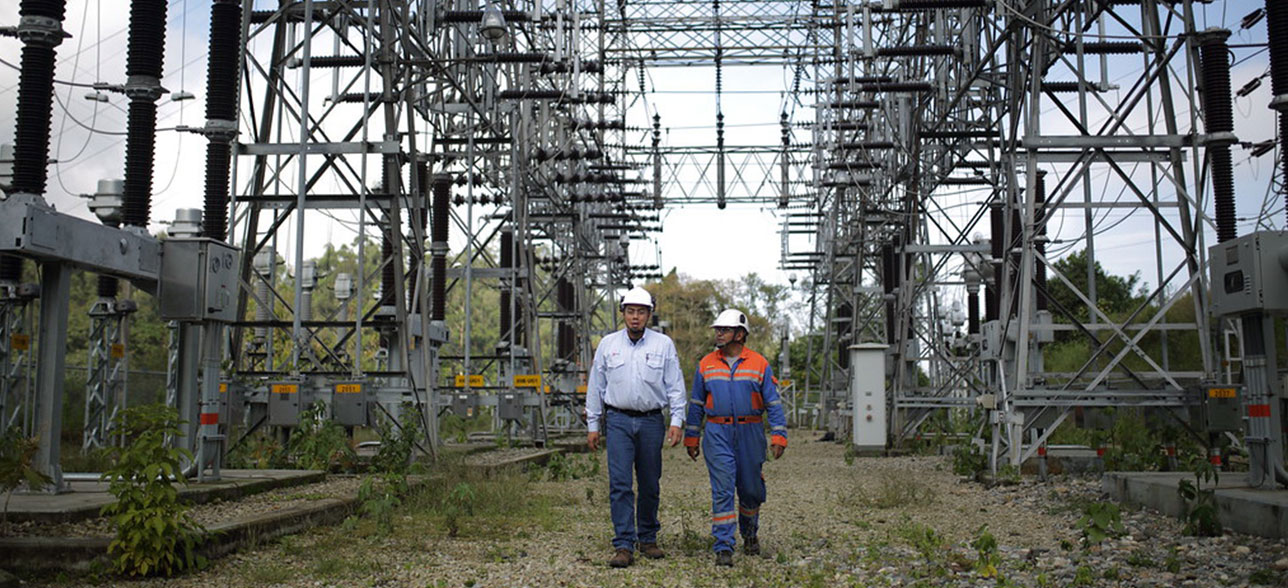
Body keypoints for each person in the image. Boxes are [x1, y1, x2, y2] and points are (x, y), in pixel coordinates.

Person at [585, 286, 687, 568]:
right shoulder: (608, 344)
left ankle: (648, 537)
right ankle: (623, 544)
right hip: (617, 420)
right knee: (619, 483)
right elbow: (596, 386)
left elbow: (675, 385)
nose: (635, 317)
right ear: (623, 313)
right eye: (630, 311)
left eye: (641, 312)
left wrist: (677, 421)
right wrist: (593, 423)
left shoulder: (663, 345)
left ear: (649, 315)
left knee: (650, 482)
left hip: (651, 420)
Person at [684, 308, 787, 566]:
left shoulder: (759, 364)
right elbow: (696, 403)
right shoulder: (706, 364)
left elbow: (773, 403)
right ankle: (723, 546)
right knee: (722, 490)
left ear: (740, 334)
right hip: (717, 432)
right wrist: (692, 436)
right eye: (718, 330)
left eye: (724, 330)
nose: (718, 334)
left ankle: (750, 533)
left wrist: (779, 435)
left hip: (751, 432)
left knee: (751, 490)